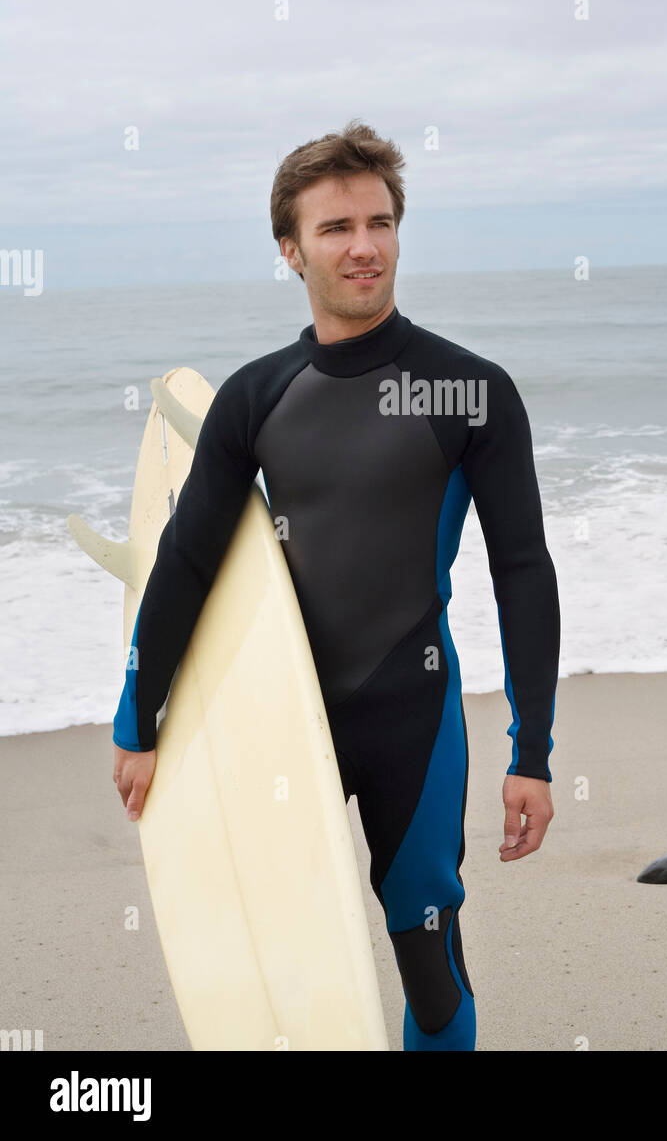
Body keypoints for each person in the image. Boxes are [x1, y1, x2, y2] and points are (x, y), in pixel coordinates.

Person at [113, 119, 560, 1051]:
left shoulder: (465, 389)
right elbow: (188, 563)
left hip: (412, 714)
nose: (365, 247)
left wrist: (533, 753)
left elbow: (521, 570)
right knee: (283, 965)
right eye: (336, 228)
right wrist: (138, 722)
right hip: (277, 720)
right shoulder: (256, 397)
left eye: (381, 222)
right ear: (290, 249)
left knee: (430, 966)